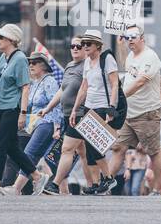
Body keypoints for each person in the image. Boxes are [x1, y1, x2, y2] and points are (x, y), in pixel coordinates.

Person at [0, 24, 42, 196]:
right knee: (12, 148)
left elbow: (25, 87)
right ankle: (37, 176)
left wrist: (23, 113)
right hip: (2, 107)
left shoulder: (20, 58)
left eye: (1, 37)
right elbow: (1, 80)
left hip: (13, 108)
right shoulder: (3, 58)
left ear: (12, 40)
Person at [104, 24, 161, 196]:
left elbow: (140, 82)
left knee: (153, 152)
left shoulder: (150, 56)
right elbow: (127, 67)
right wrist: (120, 45)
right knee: (118, 148)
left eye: (133, 37)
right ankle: (105, 185)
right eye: (127, 37)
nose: (130, 40)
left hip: (147, 113)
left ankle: (158, 189)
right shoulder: (131, 55)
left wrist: (119, 98)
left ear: (142, 38)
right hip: (129, 113)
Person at [66, 30, 120, 195]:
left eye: (88, 43)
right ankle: (97, 183)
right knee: (89, 148)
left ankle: (109, 178)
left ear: (98, 45)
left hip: (102, 107)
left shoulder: (107, 59)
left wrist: (111, 107)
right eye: (84, 44)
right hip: (88, 107)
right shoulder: (88, 62)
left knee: (96, 147)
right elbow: (84, 87)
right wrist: (75, 109)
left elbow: (115, 84)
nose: (85, 46)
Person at [11, 51, 61, 196]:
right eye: (29, 63)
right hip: (35, 124)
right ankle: (59, 189)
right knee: (38, 157)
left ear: (44, 66)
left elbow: (57, 104)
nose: (30, 65)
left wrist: (57, 127)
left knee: (29, 154)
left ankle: (16, 188)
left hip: (48, 122)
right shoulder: (34, 84)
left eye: (34, 62)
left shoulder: (49, 81)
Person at [51, 37, 88, 195]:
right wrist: (47, 108)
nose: (75, 48)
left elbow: (86, 89)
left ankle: (54, 184)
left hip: (79, 114)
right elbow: (62, 90)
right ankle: (95, 185)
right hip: (67, 115)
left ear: (85, 47)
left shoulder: (87, 66)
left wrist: (76, 109)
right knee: (84, 154)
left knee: (66, 150)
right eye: (72, 46)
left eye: (78, 46)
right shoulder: (69, 66)